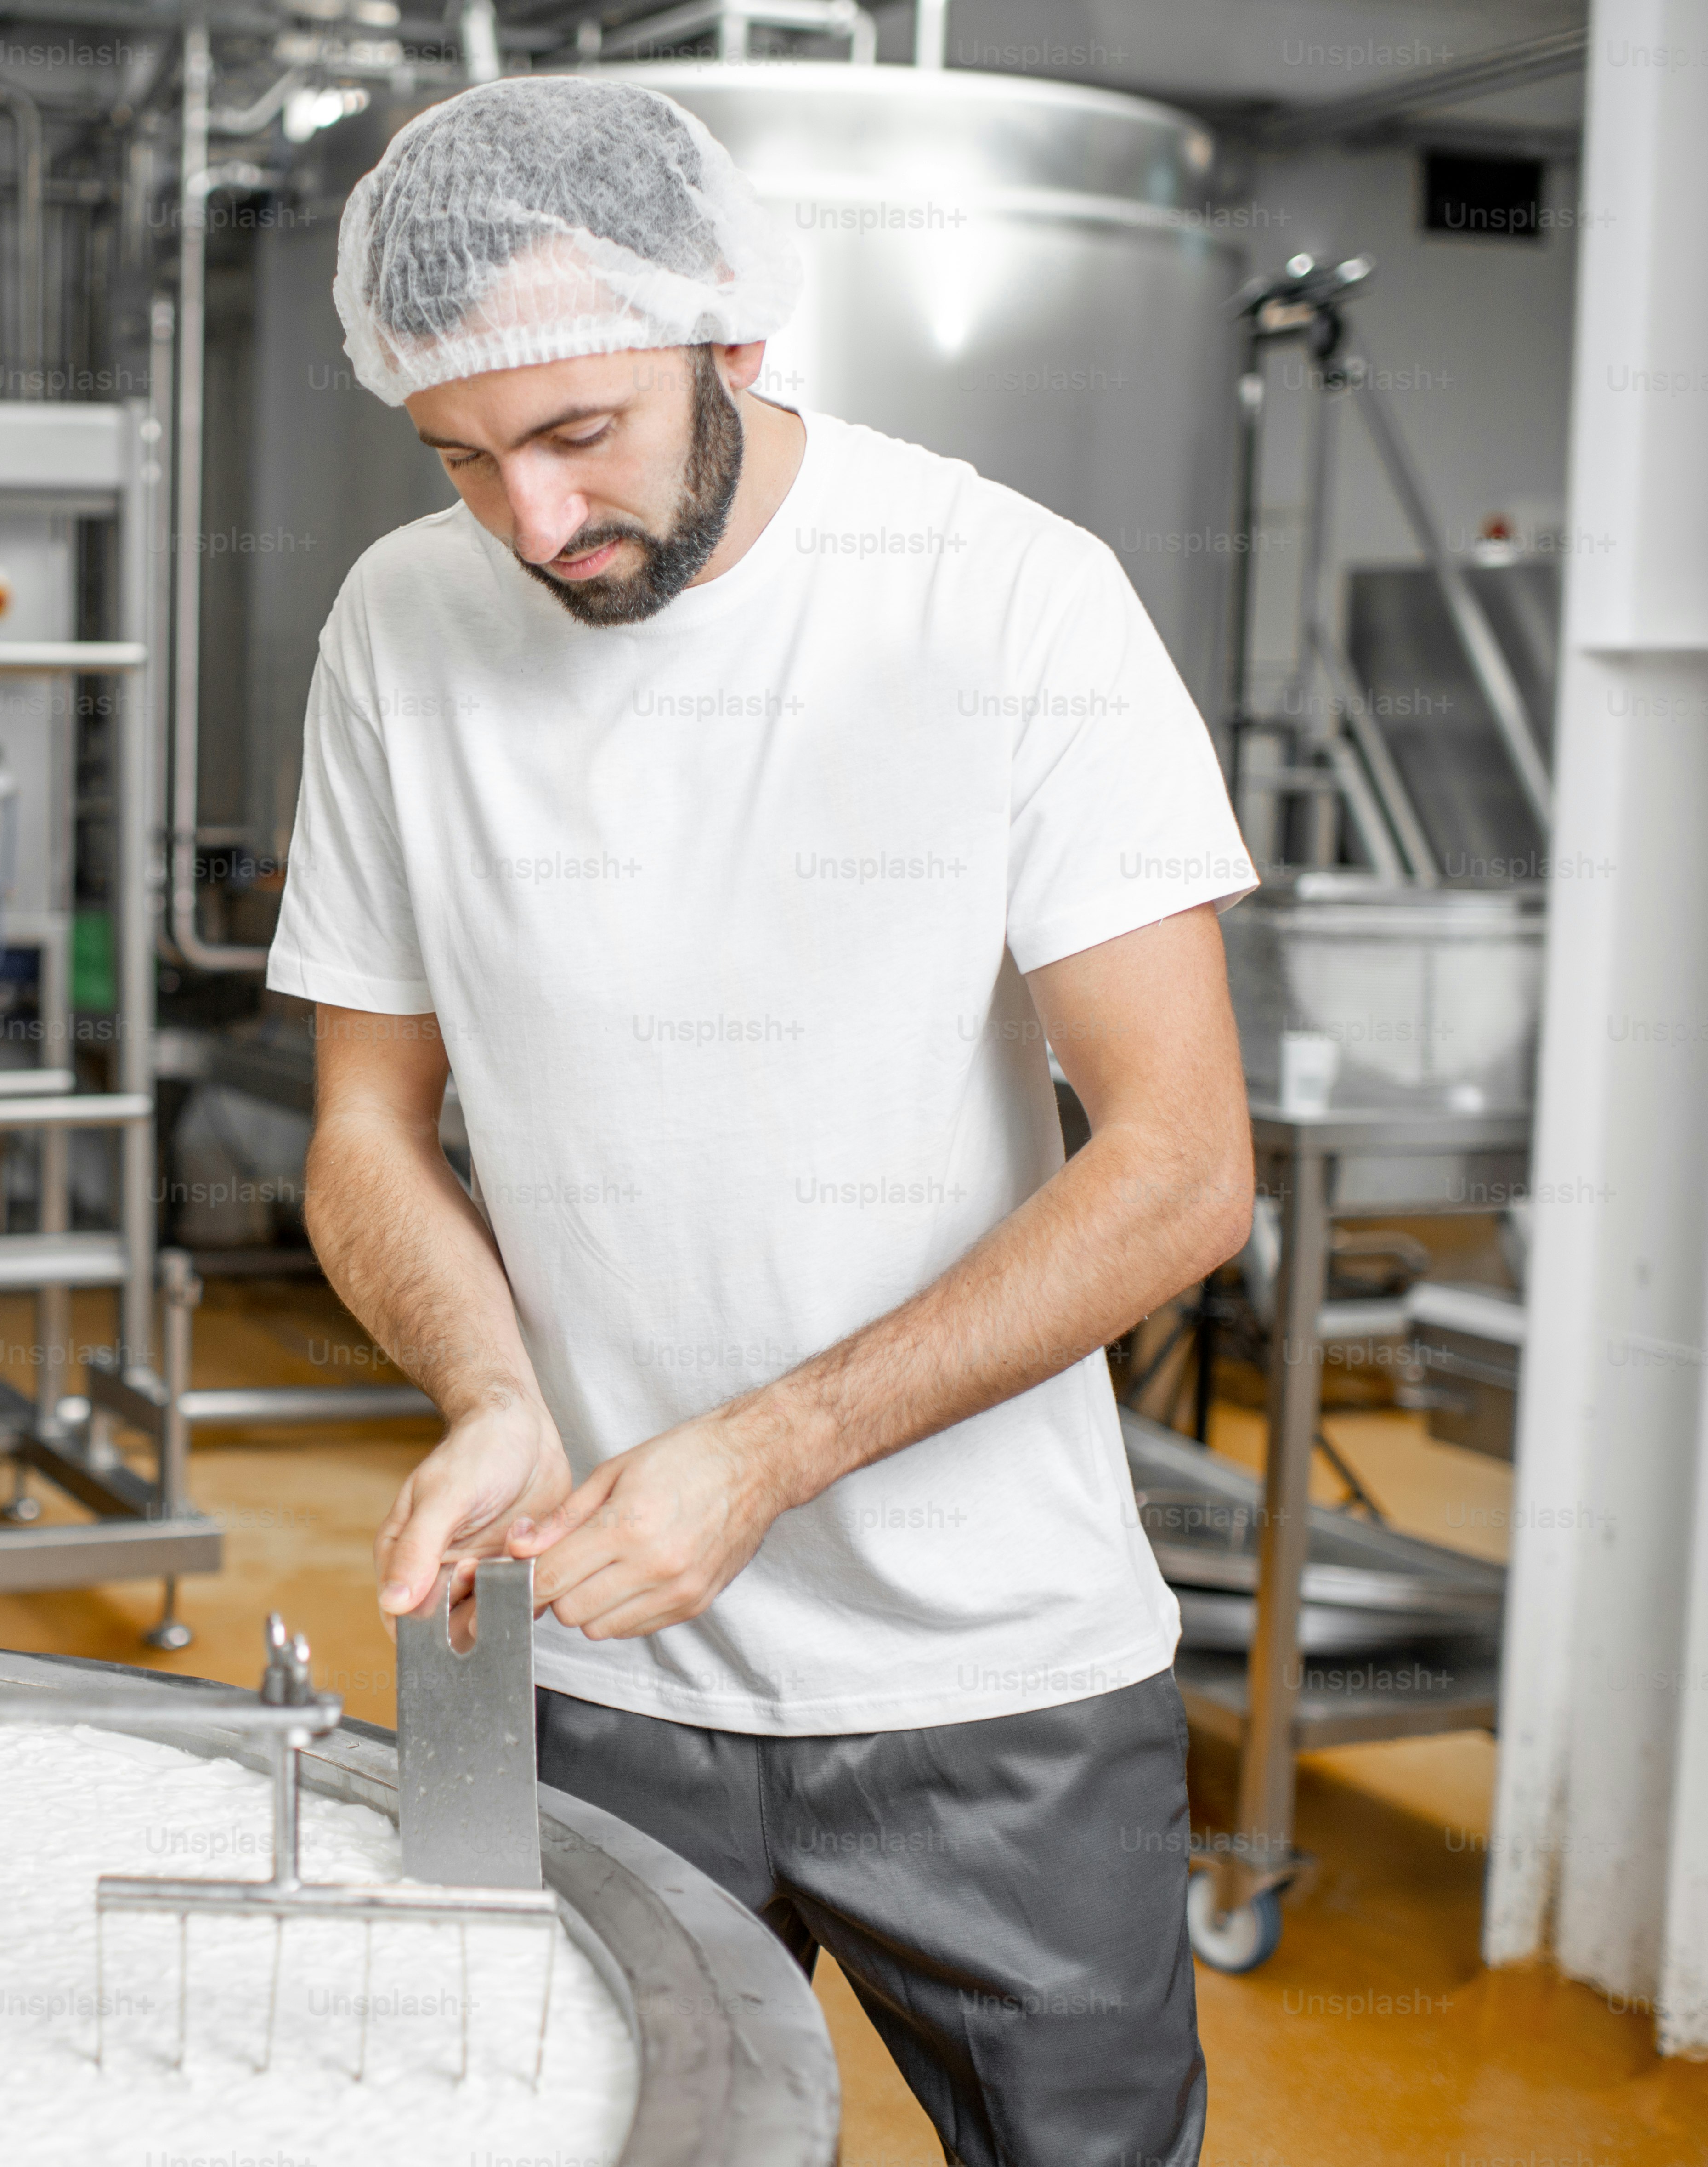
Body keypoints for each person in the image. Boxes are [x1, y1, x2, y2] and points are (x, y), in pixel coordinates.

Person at [269, 74, 1258, 2166]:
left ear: (734, 337)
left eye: (577, 436)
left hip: (996, 1680)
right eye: (461, 460)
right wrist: (490, 1392)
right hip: (585, 1672)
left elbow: (1178, 1166)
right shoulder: (399, 625)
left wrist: (770, 1452)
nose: (532, 524)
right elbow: (367, 1127)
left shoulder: (1003, 597)